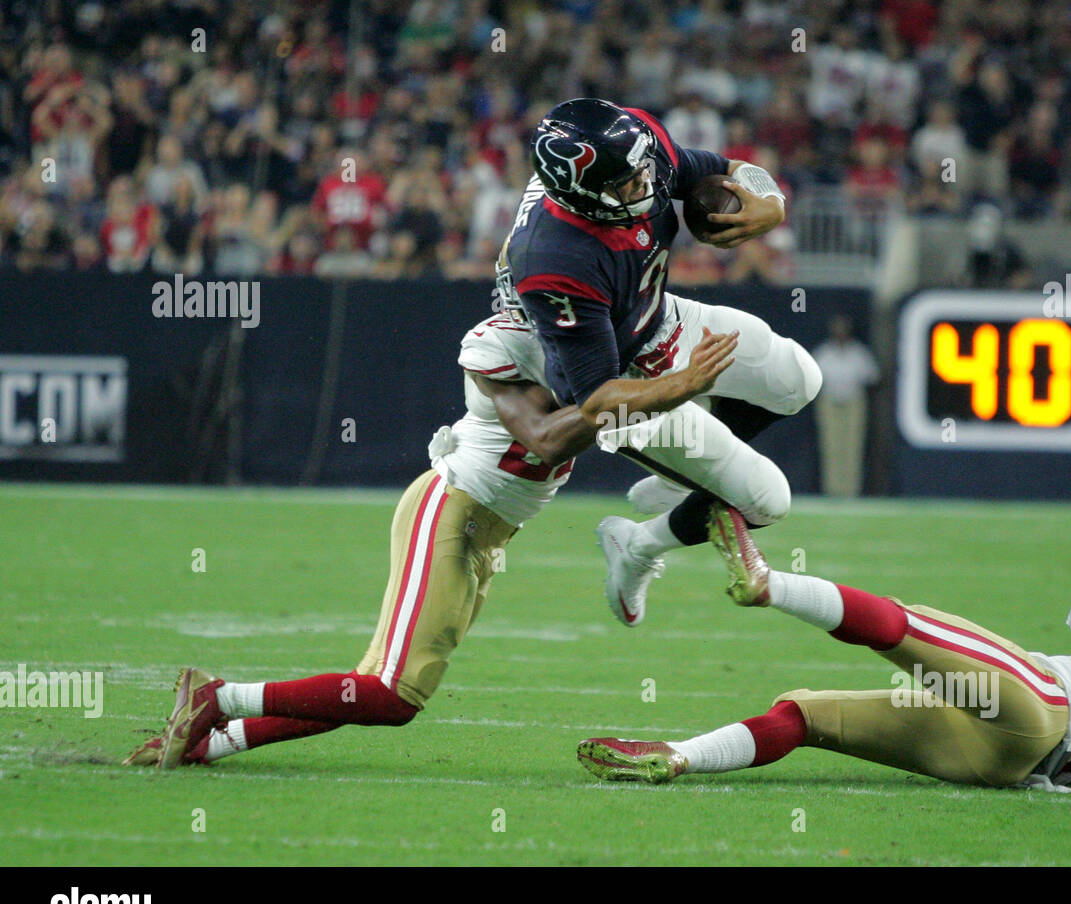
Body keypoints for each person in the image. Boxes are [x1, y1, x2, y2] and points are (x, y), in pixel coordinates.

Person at [124, 314, 738, 770]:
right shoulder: (504, 344)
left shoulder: (593, 343)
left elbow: (630, 414)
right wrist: (667, 387)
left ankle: (211, 739)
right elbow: (550, 435)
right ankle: (217, 696)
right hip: (454, 508)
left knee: (371, 692)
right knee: (394, 693)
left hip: (491, 532)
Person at [578, 506, 1071, 791]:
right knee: (806, 716)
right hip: (1001, 764)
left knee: (904, 629)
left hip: (1042, 707)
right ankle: (681, 757)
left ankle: (768, 583)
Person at [498, 98, 822, 628]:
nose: (646, 187)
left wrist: (771, 201)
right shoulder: (554, 257)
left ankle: (642, 536)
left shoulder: (637, 147)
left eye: (643, 171)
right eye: (625, 185)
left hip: (657, 320)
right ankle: (645, 545)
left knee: (798, 379)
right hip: (621, 380)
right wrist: (686, 383)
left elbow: (728, 169)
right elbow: (597, 400)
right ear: (582, 196)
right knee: (767, 500)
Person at [812, 316, 879, 497]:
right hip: (830, 403)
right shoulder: (824, 353)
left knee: (852, 448)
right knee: (831, 447)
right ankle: (832, 490)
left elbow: (873, 378)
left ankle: (850, 491)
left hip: (853, 402)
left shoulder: (858, 353)